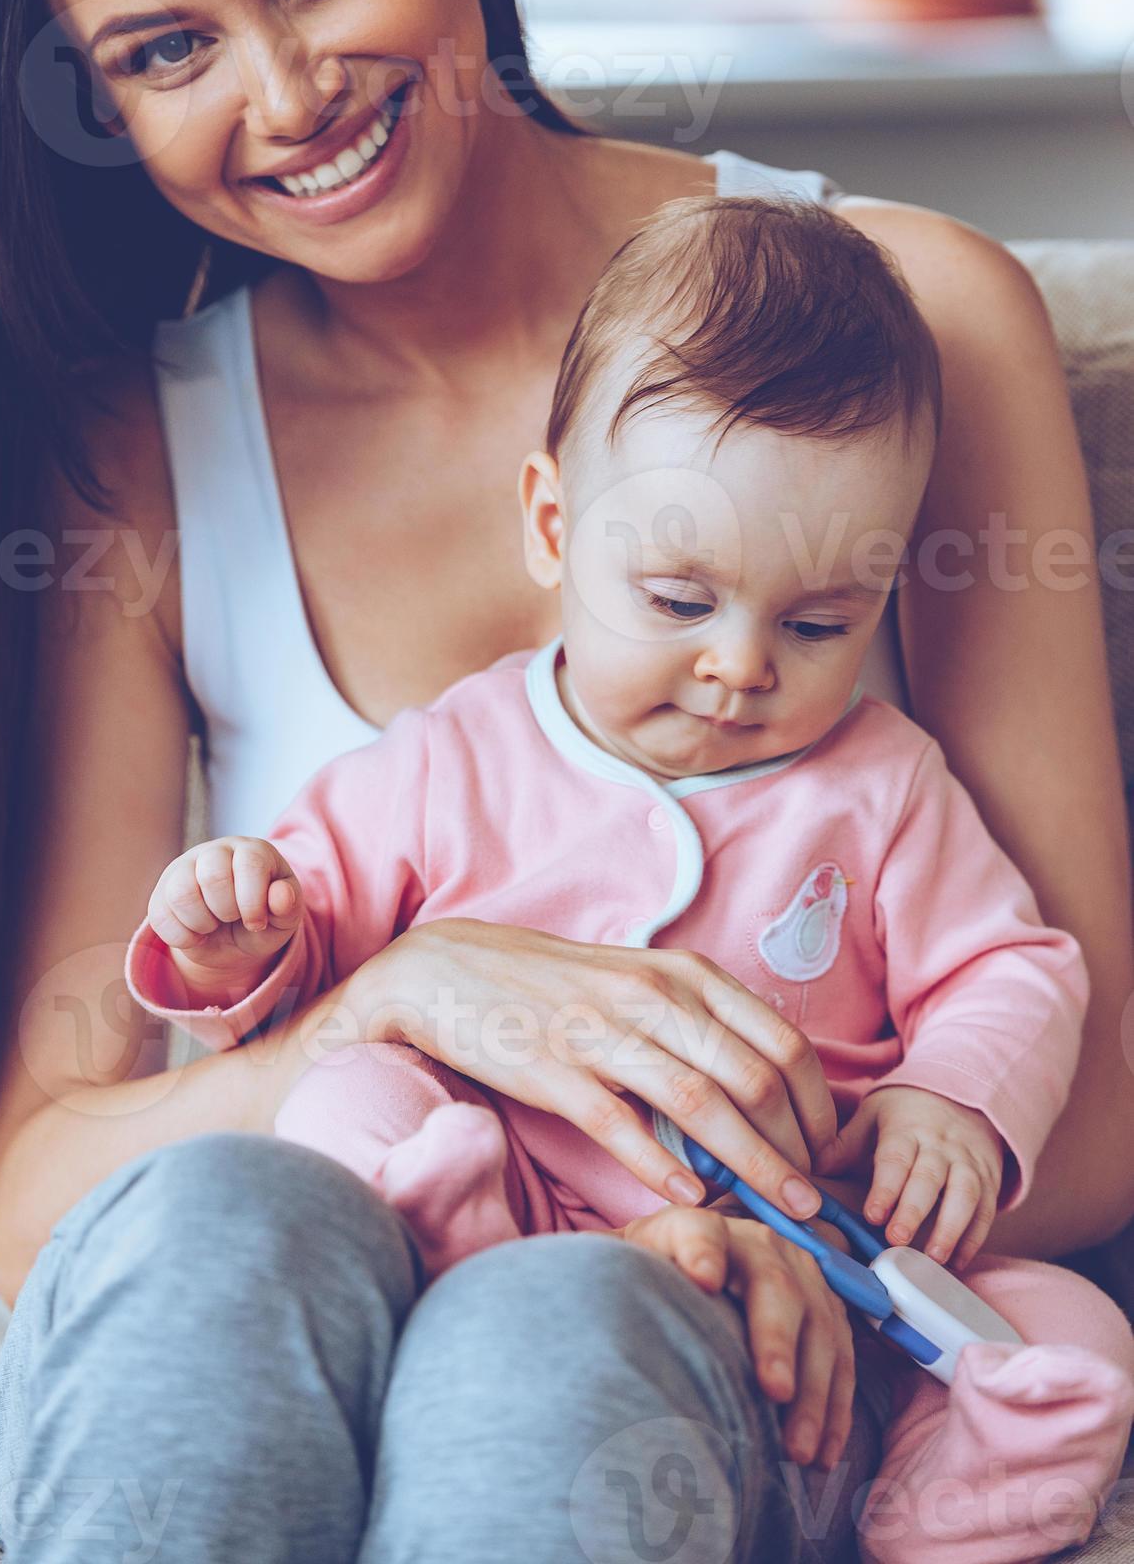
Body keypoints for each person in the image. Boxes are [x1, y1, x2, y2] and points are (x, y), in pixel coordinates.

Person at [0, 0, 1125, 1558]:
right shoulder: (134, 446)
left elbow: (1090, 1093)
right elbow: (47, 1182)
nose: (289, 93)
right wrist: (401, 998)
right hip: (274, 1298)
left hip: (683, 1325)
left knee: (560, 1331)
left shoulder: (904, 325)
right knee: (221, 1218)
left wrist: (757, 1225)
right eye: (167, 50)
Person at [126, 192, 1134, 1561]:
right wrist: (237, 936)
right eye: (679, 602)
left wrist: (951, 1100)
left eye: (819, 622)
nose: (741, 665)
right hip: (503, 1183)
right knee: (352, 1096)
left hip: (804, 1256)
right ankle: (441, 1233)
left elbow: (1012, 966)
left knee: (1076, 1331)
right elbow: (315, 937)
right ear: (553, 526)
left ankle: (942, 1505)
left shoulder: (886, 787)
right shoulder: (450, 756)